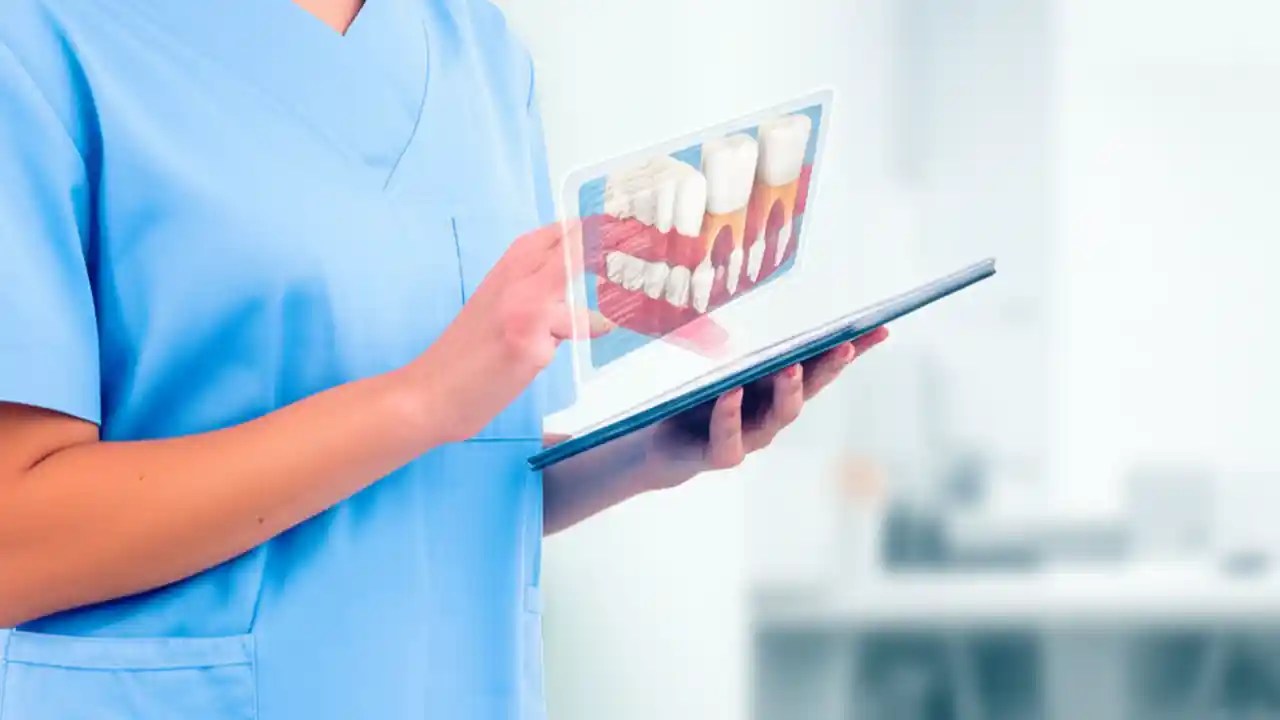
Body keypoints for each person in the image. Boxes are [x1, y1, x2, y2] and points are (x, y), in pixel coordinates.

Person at [0, 0, 889, 717]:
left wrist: (645, 454)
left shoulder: (480, 48)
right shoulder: (40, 41)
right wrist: (422, 401)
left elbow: (436, 481)